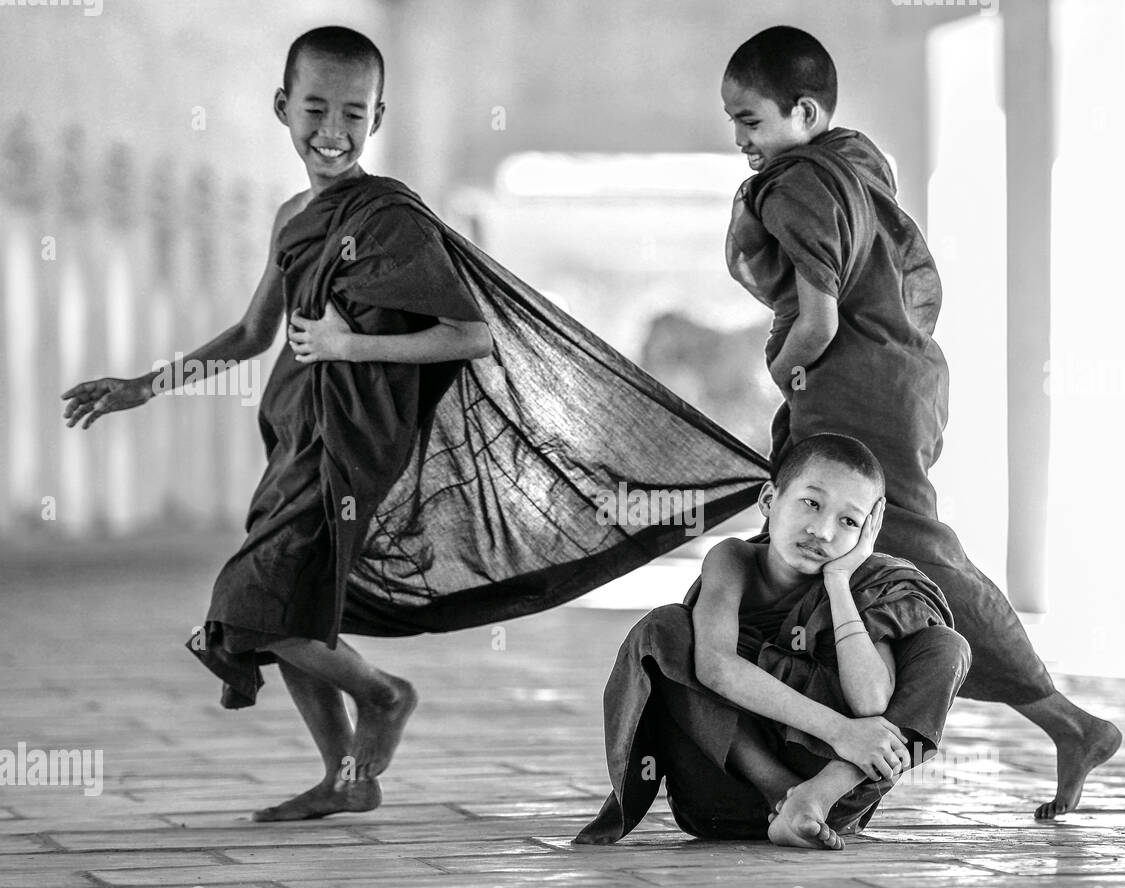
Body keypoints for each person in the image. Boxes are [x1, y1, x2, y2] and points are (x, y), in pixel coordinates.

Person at [61, 26, 770, 822]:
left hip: (356, 446)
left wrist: (344, 343)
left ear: (378, 117)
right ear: (282, 107)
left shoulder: (390, 215)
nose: (332, 131)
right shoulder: (294, 215)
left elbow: (469, 334)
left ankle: (385, 696)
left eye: (353, 114)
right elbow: (253, 334)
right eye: (316, 109)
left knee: (250, 600)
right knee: (292, 606)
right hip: (296, 436)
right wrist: (147, 385)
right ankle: (347, 778)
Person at [720, 25, 1121, 819]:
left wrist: (780, 370)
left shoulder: (800, 182)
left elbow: (822, 317)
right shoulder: (856, 161)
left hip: (855, 389)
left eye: (751, 120)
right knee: (861, 551)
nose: (740, 140)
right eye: (732, 121)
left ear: (804, 112)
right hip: (903, 378)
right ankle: (817, 744)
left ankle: (1062, 718)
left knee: (901, 551)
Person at [576, 433, 971, 850]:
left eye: (849, 521)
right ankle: (781, 794)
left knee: (946, 647)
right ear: (769, 500)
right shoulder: (733, 562)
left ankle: (812, 797)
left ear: (868, 533)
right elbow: (716, 667)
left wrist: (838, 584)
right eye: (811, 503)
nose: (822, 531)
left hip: (833, 802)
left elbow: (870, 704)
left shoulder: (870, 586)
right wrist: (839, 731)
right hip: (721, 790)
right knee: (665, 629)